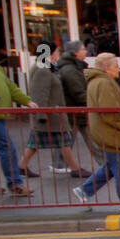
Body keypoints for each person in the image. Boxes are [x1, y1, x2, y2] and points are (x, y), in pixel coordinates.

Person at [70, 53, 120, 209]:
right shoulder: (104, 83)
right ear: (107, 68)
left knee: (112, 165)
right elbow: (109, 111)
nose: (119, 69)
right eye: (116, 66)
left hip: (104, 130)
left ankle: (84, 190)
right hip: (110, 131)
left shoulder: (99, 81)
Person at [20, 42, 90, 182]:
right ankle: (75, 168)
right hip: (50, 115)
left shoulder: (46, 67)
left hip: (52, 114)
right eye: (56, 51)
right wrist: (42, 114)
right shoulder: (42, 69)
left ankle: (22, 165)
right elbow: (40, 93)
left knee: (42, 142)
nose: (58, 53)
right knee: (62, 140)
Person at [0, 61, 37, 196]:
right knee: (6, 147)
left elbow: (10, 86)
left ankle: (15, 184)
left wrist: (26, 101)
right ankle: (15, 184)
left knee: (2, 148)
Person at [57, 40, 101, 167]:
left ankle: (60, 163)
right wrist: (94, 102)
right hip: (77, 110)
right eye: (83, 49)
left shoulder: (75, 67)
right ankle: (105, 163)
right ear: (75, 52)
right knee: (89, 138)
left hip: (76, 110)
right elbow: (78, 92)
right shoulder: (70, 70)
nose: (85, 51)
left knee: (68, 138)